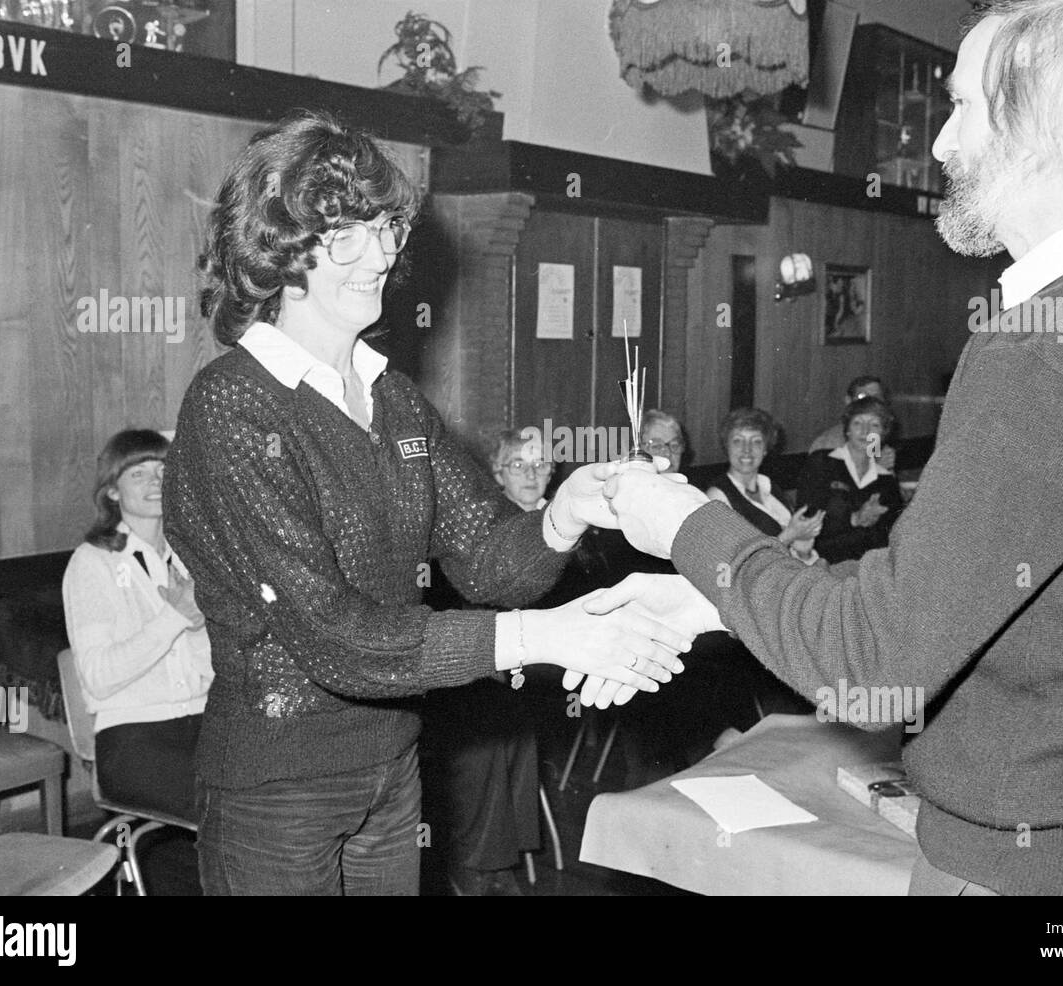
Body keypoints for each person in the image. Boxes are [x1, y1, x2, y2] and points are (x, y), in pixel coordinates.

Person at [594, 0, 1063, 895]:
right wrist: (705, 600)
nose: (941, 146)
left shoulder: (1056, 349)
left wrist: (686, 524)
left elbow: (875, 660)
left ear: (1041, 130)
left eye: (962, 107)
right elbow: (948, 594)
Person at [161, 110, 691, 896]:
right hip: (276, 789)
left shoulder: (395, 400)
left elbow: (489, 566)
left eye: (386, 228)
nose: (379, 252)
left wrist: (564, 513)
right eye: (346, 232)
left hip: (392, 769)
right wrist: (547, 637)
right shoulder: (233, 407)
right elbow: (335, 638)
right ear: (277, 246)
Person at [422, 429, 550, 896]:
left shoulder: (561, 523)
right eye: (519, 465)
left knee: (512, 723)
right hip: (471, 656)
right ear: (497, 476)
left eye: (540, 464)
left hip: (536, 663)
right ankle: (479, 862)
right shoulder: (489, 526)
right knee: (488, 722)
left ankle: (494, 858)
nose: (532, 473)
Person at [62, 429, 212, 825]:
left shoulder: (189, 555)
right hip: (133, 737)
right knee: (235, 812)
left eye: (163, 469)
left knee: (291, 791)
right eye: (138, 474)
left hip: (206, 722)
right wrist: (176, 618)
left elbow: (215, 671)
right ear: (112, 492)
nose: (156, 481)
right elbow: (99, 678)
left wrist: (196, 630)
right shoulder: (92, 563)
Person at [705, 407, 825, 568]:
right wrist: (789, 535)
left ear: (765, 449)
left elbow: (794, 555)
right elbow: (728, 564)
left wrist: (804, 546)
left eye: (756, 441)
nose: (747, 450)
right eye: (738, 441)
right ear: (727, 447)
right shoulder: (717, 496)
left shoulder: (770, 488)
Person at [797, 396, 904, 564]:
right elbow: (806, 520)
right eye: (857, 423)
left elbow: (891, 538)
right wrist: (854, 519)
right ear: (847, 430)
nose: (866, 431)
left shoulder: (886, 481)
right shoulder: (822, 462)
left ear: (882, 435)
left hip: (867, 570)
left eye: (874, 425)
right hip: (821, 564)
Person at [807, 375, 898, 468]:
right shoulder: (828, 443)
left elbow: (884, 480)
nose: (869, 402)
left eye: (876, 397)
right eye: (862, 396)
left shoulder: (876, 440)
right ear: (848, 401)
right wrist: (875, 469)